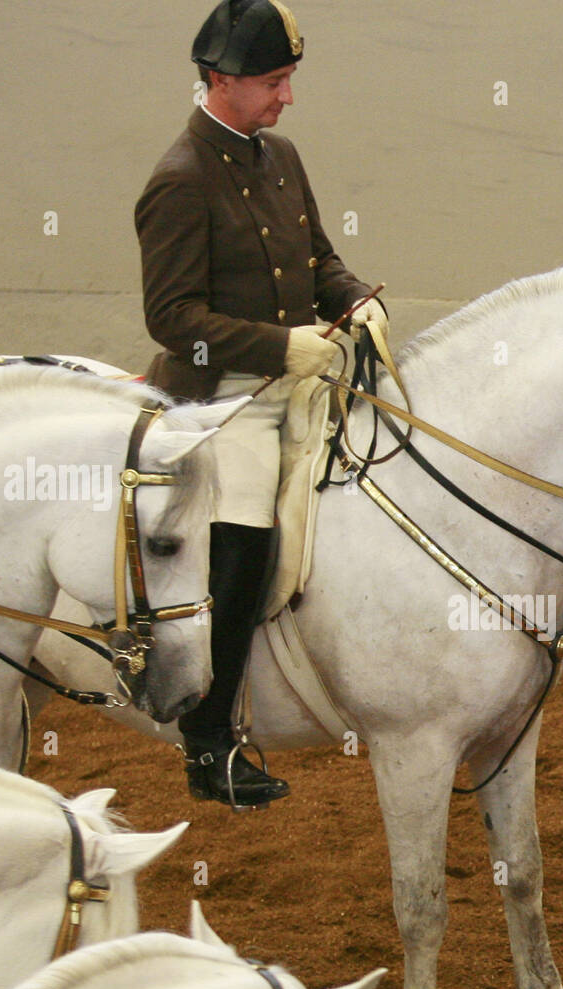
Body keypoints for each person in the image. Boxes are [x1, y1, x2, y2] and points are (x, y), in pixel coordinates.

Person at [135, 0, 385, 808]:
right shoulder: (179, 179)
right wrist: (281, 348)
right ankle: (210, 744)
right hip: (228, 396)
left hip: (302, 372)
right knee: (246, 533)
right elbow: (173, 320)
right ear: (221, 80)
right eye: (274, 82)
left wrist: (356, 302)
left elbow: (320, 259)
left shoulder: (280, 157)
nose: (286, 98)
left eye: (288, 80)